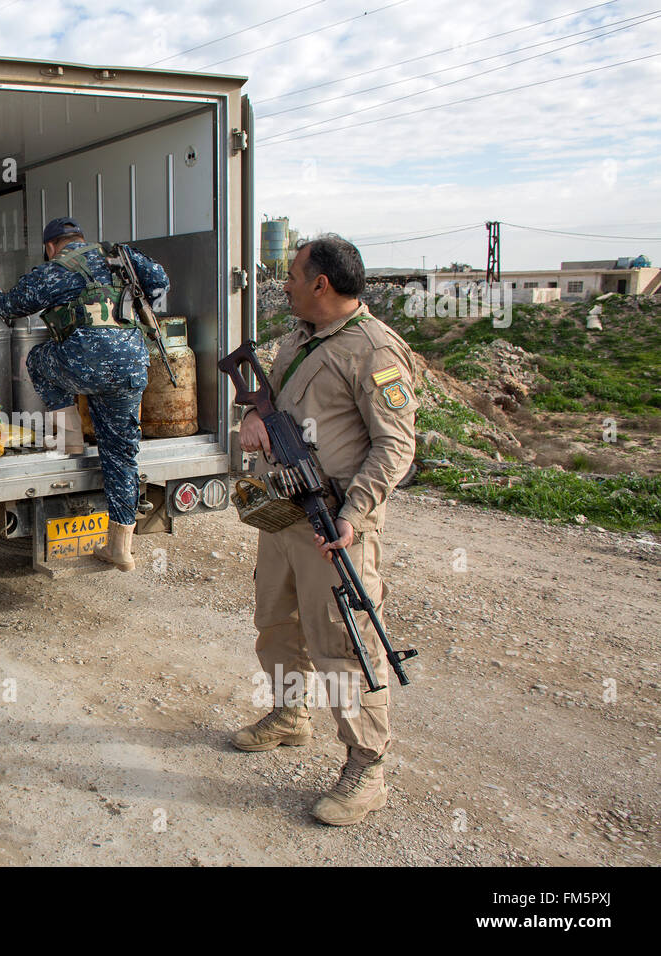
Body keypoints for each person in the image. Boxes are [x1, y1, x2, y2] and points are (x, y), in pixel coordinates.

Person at [230, 234, 418, 826]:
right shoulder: (298, 340)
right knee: (277, 621)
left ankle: (368, 766)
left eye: (292, 275)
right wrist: (253, 419)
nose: (283, 284)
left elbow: (397, 447)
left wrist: (352, 514)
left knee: (342, 644)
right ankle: (290, 716)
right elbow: (269, 401)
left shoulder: (375, 351)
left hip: (332, 525)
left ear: (321, 284)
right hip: (282, 512)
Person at [0, 217, 168, 572]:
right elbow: (160, 282)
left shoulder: (55, 270)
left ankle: (71, 439)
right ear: (82, 238)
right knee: (121, 451)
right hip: (131, 363)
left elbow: (9, 309)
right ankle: (121, 547)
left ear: (50, 247)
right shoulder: (119, 256)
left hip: (85, 364)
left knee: (37, 358)